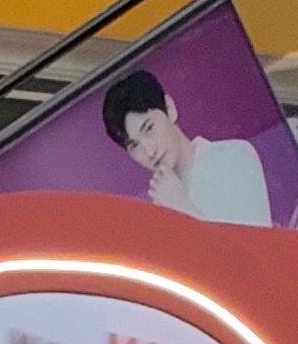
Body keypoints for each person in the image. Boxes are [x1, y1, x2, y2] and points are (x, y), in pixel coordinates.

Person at [106, 61, 278, 227]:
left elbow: (255, 242)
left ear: (169, 109)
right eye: (134, 146)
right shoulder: (155, 208)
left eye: (149, 128)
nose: (150, 151)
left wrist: (182, 208)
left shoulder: (232, 157)